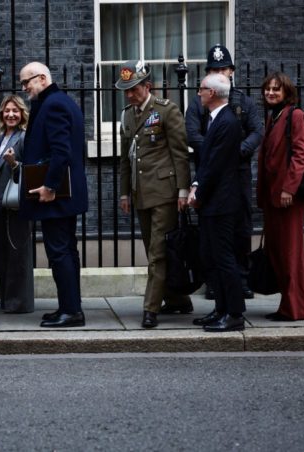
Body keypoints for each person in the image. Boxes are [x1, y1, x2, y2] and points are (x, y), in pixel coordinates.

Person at [184, 44, 264, 303]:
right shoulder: (199, 103)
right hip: (210, 172)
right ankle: (214, 282)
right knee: (209, 231)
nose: (220, 72)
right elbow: (192, 134)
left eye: (223, 68)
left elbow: (256, 132)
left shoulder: (243, 101)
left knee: (240, 227)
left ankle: (240, 278)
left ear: (231, 71)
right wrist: (218, 150)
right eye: (214, 69)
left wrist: (236, 150)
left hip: (238, 172)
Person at [115, 60, 192, 328]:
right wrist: (124, 193)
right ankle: (178, 299)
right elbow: (126, 159)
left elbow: (180, 153)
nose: (129, 94)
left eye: (133, 89)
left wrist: (183, 189)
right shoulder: (127, 115)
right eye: (125, 90)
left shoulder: (166, 111)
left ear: (148, 86)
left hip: (164, 192)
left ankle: (150, 309)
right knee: (153, 249)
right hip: (140, 194)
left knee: (158, 251)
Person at [17, 62, 89, 328]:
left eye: (27, 82)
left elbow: (61, 151)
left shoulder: (54, 105)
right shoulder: (57, 102)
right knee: (66, 251)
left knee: (60, 252)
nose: (24, 88)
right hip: (63, 196)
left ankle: (71, 311)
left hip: (57, 196)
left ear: (43, 78)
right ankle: (69, 306)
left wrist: (50, 186)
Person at [188, 73, 247, 332]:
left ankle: (234, 313)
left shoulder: (227, 122)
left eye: (201, 89)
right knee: (211, 256)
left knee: (224, 259)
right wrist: (197, 186)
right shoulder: (218, 120)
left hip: (222, 203)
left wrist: (197, 192)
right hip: (215, 201)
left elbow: (215, 165)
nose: (198, 93)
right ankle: (221, 308)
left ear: (211, 93)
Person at [256, 72, 304, 321]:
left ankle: (295, 309)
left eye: (276, 89)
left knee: (290, 254)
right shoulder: (273, 118)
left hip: (288, 197)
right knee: (277, 252)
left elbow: (301, 154)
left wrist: (289, 188)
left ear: (287, 92)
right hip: (273, 197)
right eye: (268, 89)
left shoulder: (295, 115)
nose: (271, 93)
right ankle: (286, 305)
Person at [0, 94, 34, 313]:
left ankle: (20, 303)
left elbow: (32, 169)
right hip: (0, 204)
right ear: (1, 114)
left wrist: (15, 164)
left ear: (22, 114)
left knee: (18, 253)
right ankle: (8, 300)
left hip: (16, 204)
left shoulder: (25, 137)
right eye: (7, 111)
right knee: (3, 253)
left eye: (15, 111)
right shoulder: (1, 136)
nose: (11, 114)